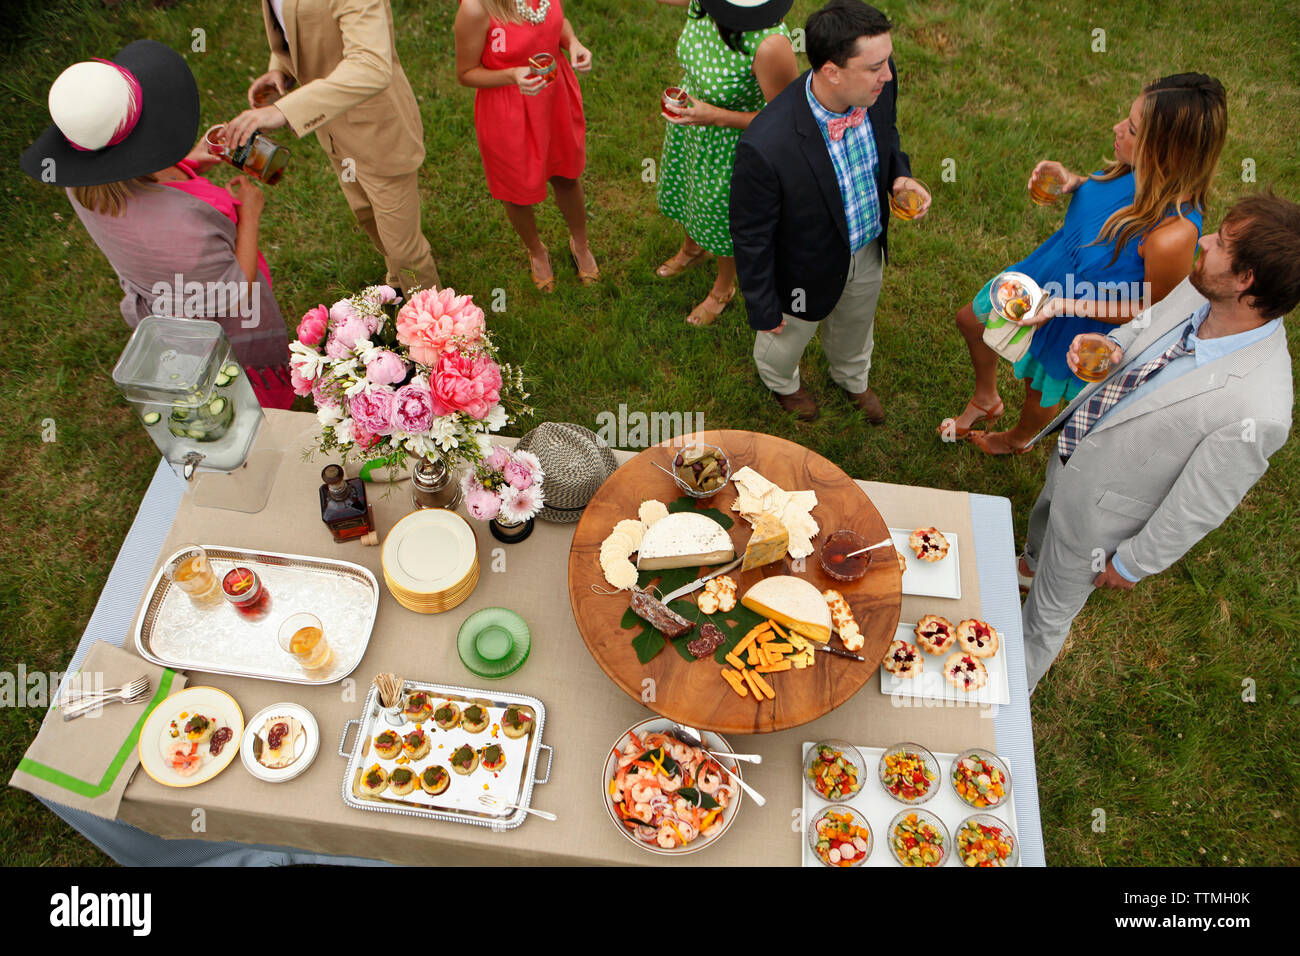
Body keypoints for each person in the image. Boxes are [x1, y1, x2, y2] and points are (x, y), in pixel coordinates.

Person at [1017, 192, 1300, 692]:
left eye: (1223, 243)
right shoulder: (1202, 290)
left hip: (1098, 524)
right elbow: (1145, 324)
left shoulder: (1259, 408)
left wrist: (1133, 563)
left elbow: (1199, 505)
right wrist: (1112, 346)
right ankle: (1029, 564)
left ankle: (997, 705)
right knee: (1044, 516)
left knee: (1043, 621)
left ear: (1247, 282)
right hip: (1073, 452)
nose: (1205, 239)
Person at [942, 73, 1228, 454]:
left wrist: (1063, 306)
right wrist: (1074, 182)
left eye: (1131, 128)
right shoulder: (1133, 168)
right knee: (970, 320)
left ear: (1164, 152)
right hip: (1046, 271)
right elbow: (1105, 197)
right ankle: (986, 398)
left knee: (1039, 389)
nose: (1117, 129)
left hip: (1078, 309)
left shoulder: (1173, 234)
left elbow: (1151, 308)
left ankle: (1017, 439)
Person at [19, 40, 293, 408]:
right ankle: (259, 408)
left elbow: (135, 178)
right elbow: (234, 291)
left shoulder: (79, 185)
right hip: (221, 317)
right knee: (243, 391)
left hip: (168, 303)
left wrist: (189, 162)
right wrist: (250, 214)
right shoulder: (181, 228)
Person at [730, 0, 927, 423]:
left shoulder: (877, 89)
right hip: (799, 273)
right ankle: (783, 383)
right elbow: (751, 235)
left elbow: (887, 136)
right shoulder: (766, 146)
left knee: (857, 325)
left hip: (867, 245)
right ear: (832, 71)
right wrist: (764, 307)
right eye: (875, 67)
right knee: (786, 339)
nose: (888, 75)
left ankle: (852, 378)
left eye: (886, 62)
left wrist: (899, 177)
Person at [224, 0, 440, 294]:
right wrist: (281, 66)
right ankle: (397, 281)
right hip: (334, 131)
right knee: (366, 214)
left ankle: (439, 327)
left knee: (406, 251)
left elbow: (371, 66)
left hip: (379, 131)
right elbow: (294, 25)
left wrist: (285, 111)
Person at [653, 0, 798, 326]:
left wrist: (715, 116)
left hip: (735, 145)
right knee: (690, 193)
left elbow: (787, 120)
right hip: (693, 128)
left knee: (722, 220)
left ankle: (723, 288)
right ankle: (692, 248)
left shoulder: (771, 45)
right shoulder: (702, 4)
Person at [454, 0, 598, 292]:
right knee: (516, 191)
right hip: (508, 109)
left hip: (554, 98)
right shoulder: (475, 8)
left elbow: (556, 25)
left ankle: (580, 244)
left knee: (567, 176)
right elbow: (465, 73)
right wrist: (511, 74)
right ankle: (536, 250)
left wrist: (573, 43)